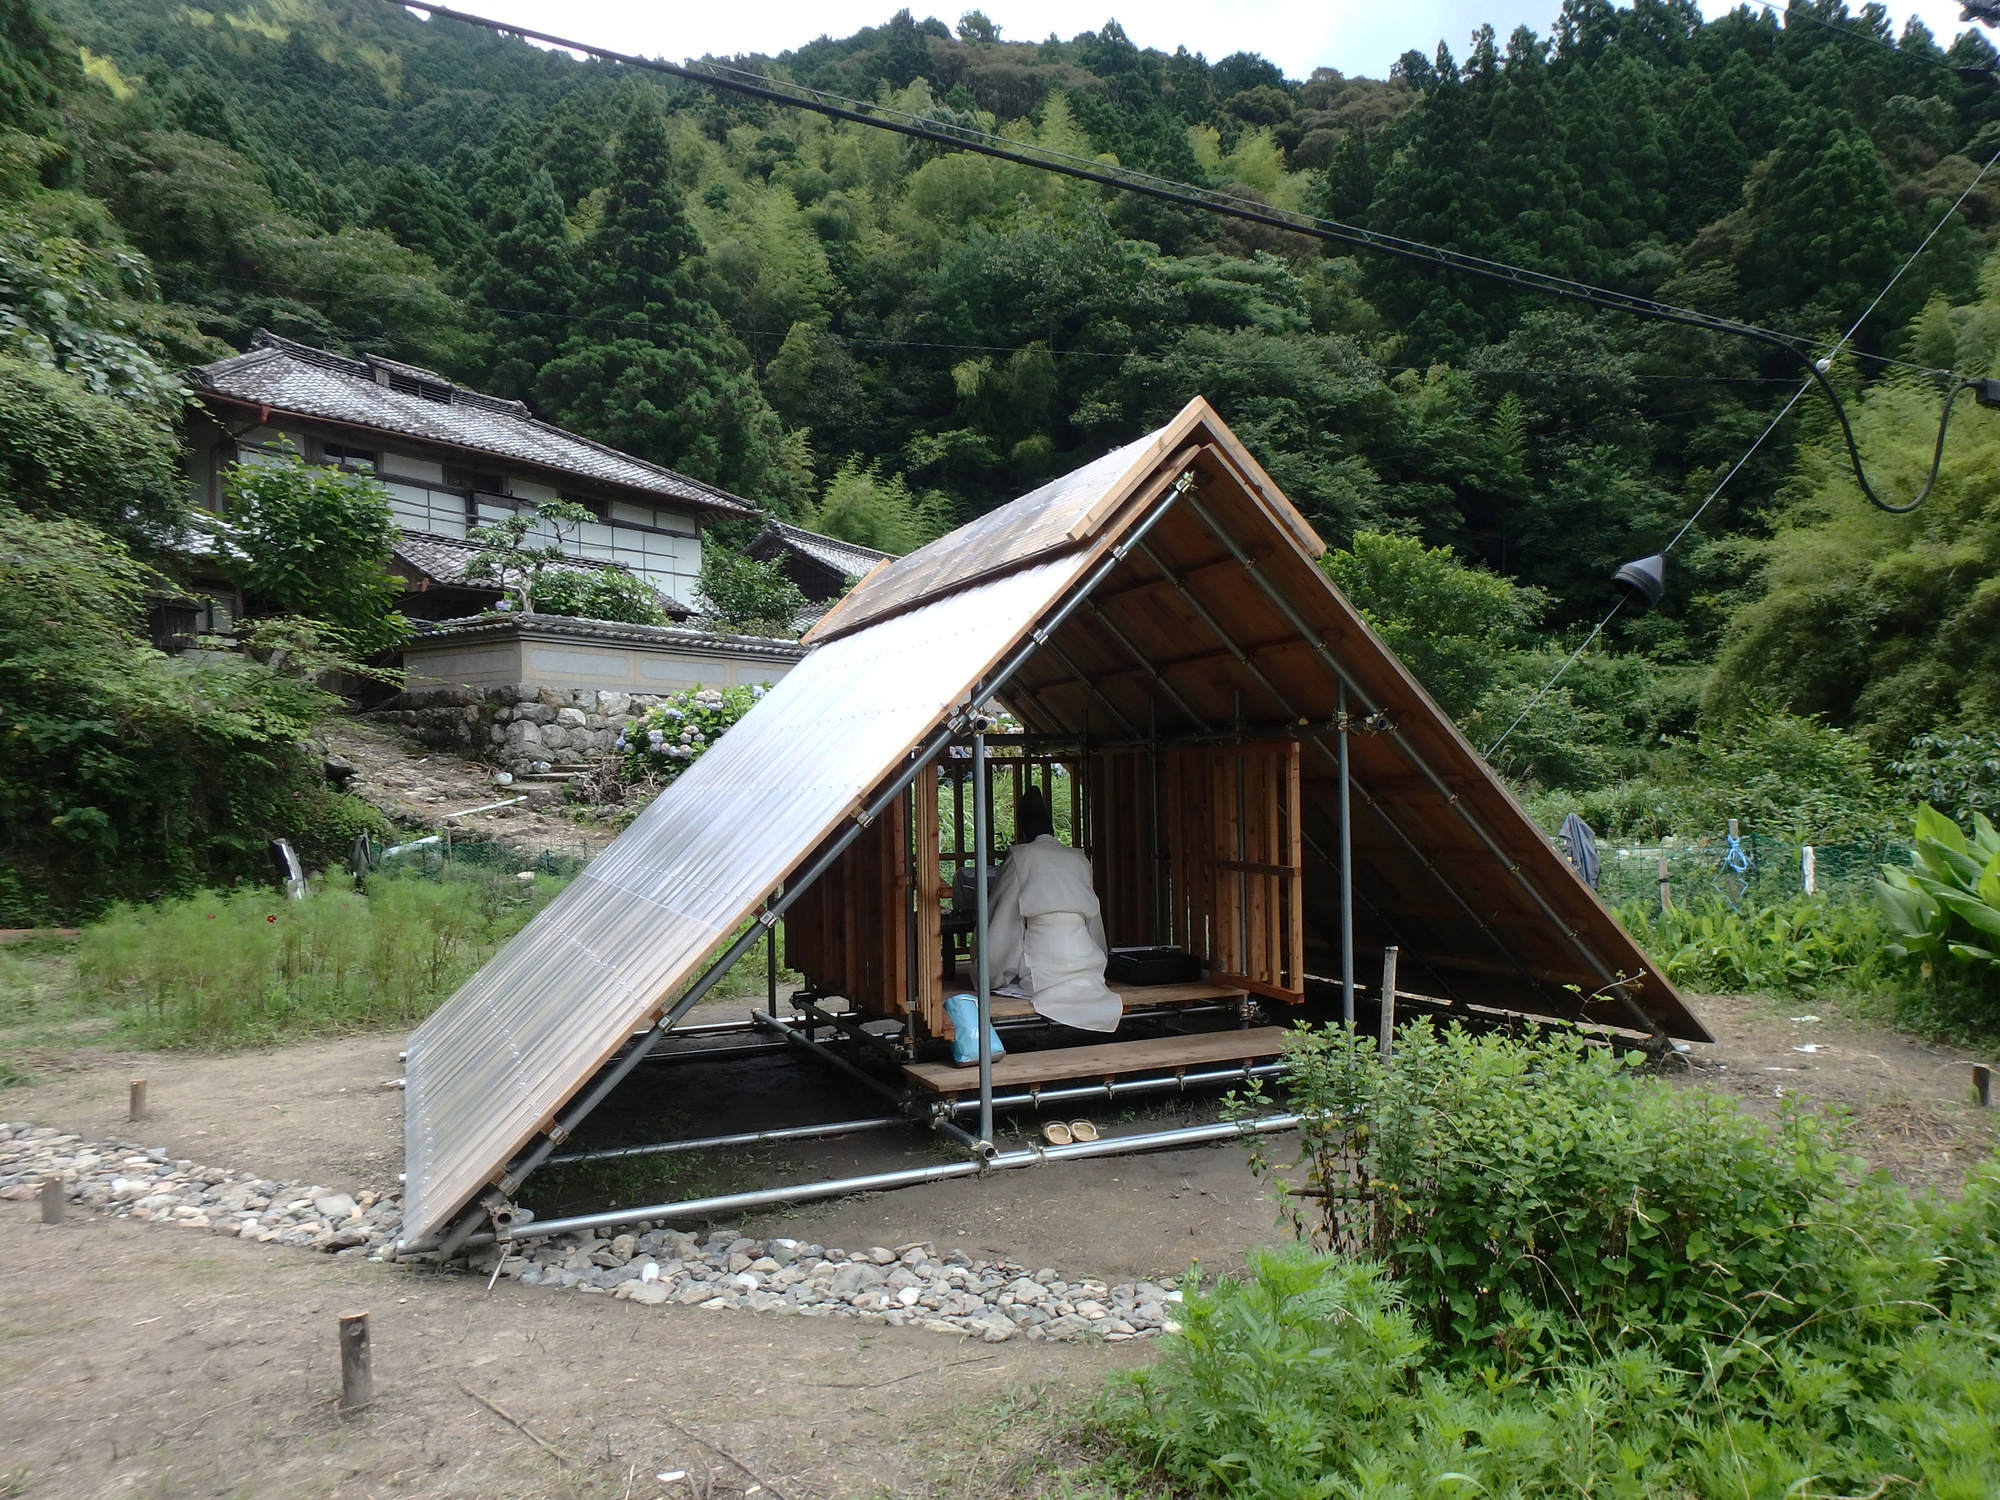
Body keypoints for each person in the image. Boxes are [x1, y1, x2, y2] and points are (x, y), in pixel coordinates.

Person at [984, 786, 1121, 1032]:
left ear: (1022, 832)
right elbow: (1094, 920)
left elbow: (1003, 920)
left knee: (1008, 942)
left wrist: (990, 972)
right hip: (1086, 958)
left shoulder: (1020, 856)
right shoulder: (1078, 858)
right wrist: (1101, 958)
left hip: (1043, 964)